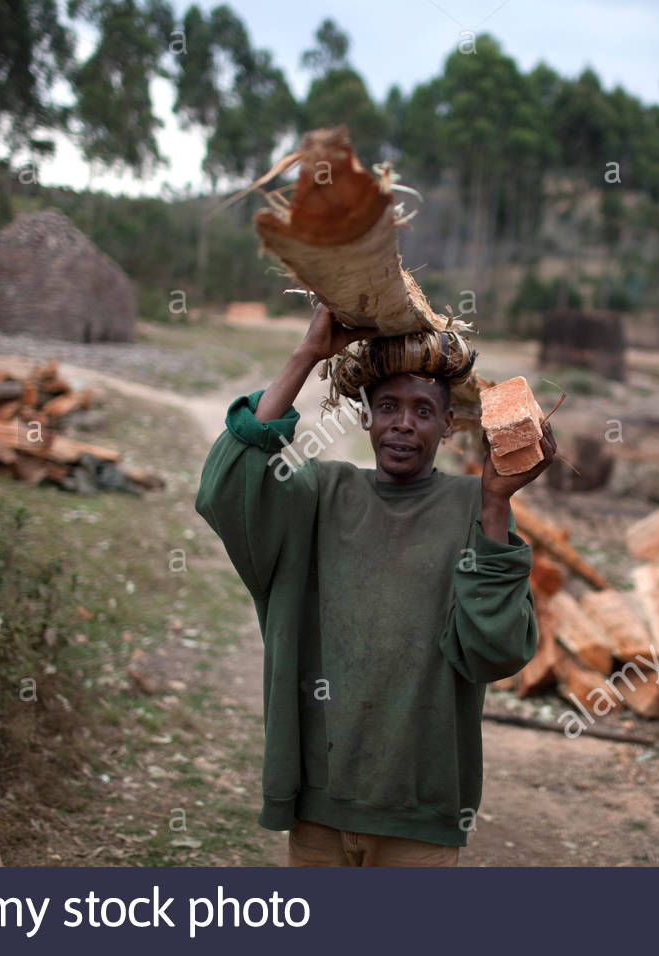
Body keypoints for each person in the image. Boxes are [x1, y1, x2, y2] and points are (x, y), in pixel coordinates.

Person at [195, 302, 554, 867]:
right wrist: (307, 355)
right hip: (320, 803)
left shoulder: (473, 507)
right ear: (365, 417)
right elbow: (230, 486)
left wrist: (494, 502)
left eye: (422, 410)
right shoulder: (320, 493)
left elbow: (497, 650)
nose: (404, 424)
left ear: (448, 424)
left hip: (421, 811)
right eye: (388, 406)